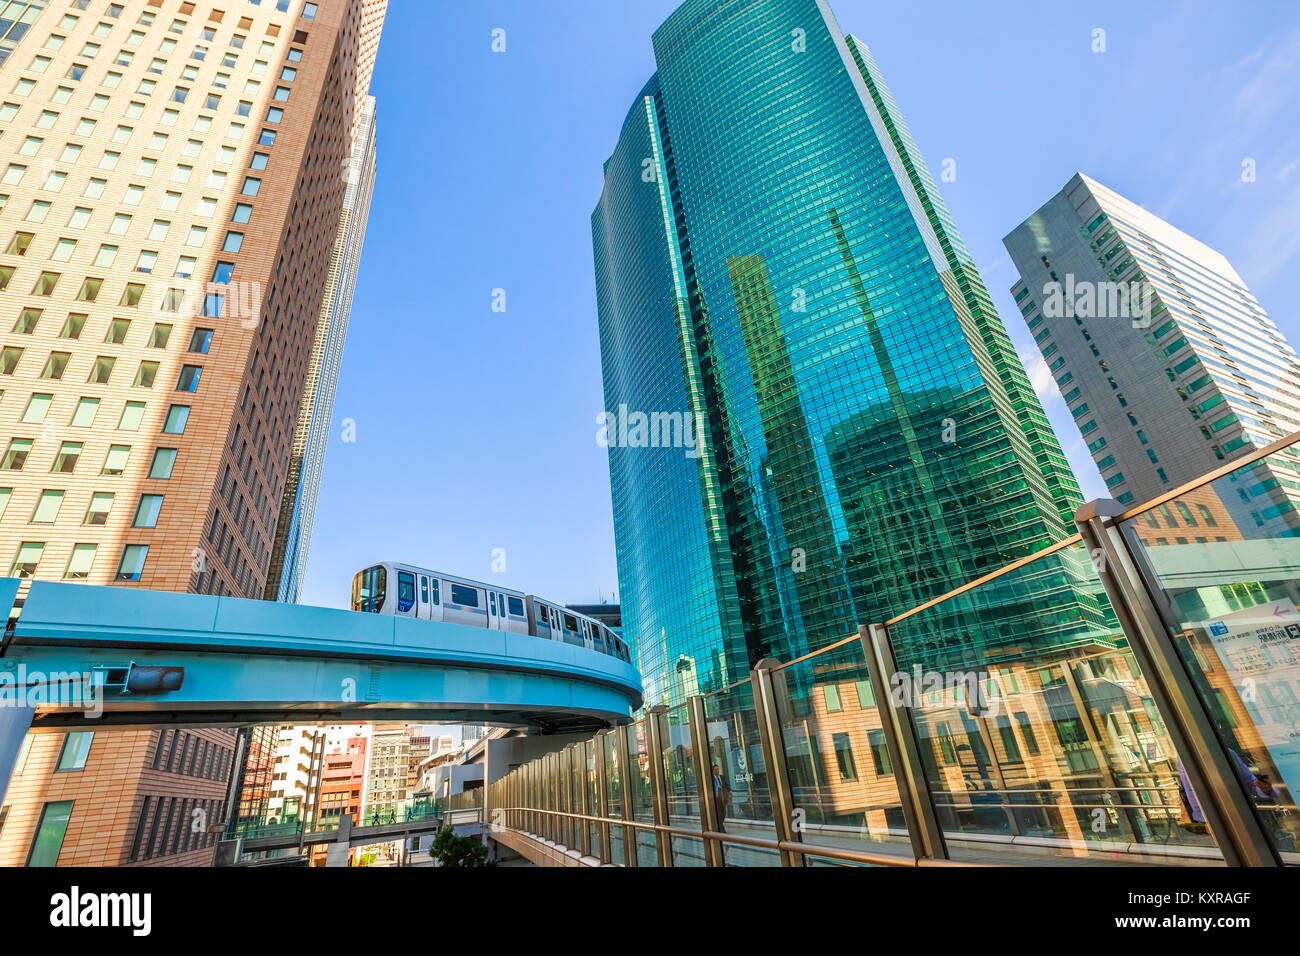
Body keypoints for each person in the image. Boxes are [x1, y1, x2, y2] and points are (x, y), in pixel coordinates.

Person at [712, 763, 731, 833]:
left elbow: (726, 785)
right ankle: (721, 828)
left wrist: (730, 791)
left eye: (718, 769)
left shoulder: (722, 777)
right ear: (713, 770)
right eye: (715, 769)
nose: (717, 771)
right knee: (719, 814)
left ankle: (719, 826)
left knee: (724, 813)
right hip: (716, 799)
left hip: (722, 798)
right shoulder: (711, 779)